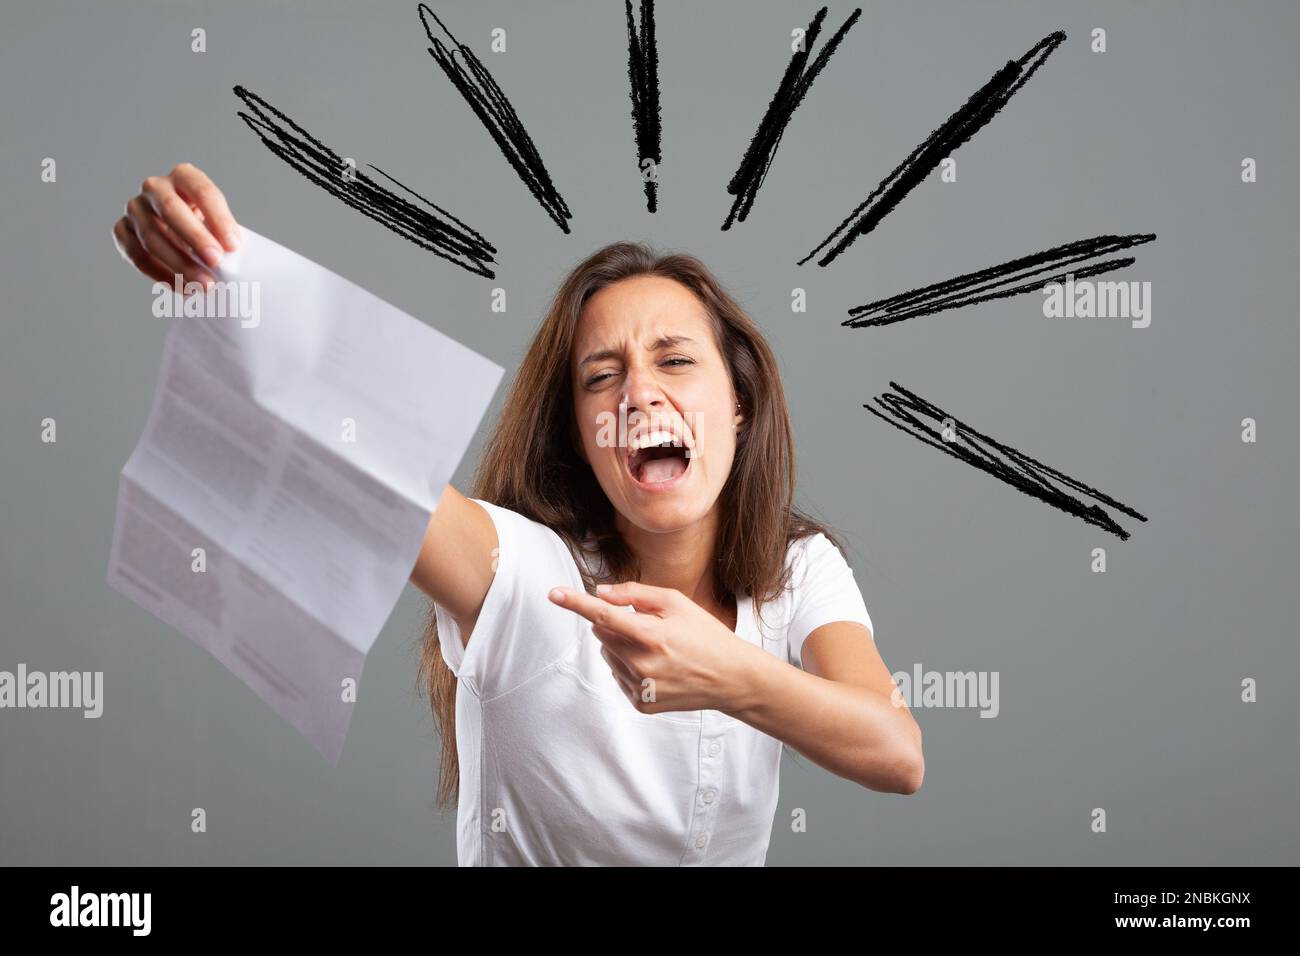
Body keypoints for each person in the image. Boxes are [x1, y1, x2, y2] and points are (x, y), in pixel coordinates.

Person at [112, 163, 925, 866]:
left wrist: (725, 673)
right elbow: (377, 469)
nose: (641, 390)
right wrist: (226, 283)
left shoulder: (800, 568)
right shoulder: (531, 575)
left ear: (740, 404)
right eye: (602, 377)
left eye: (675, 359)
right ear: (582, 431)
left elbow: (896, 751)